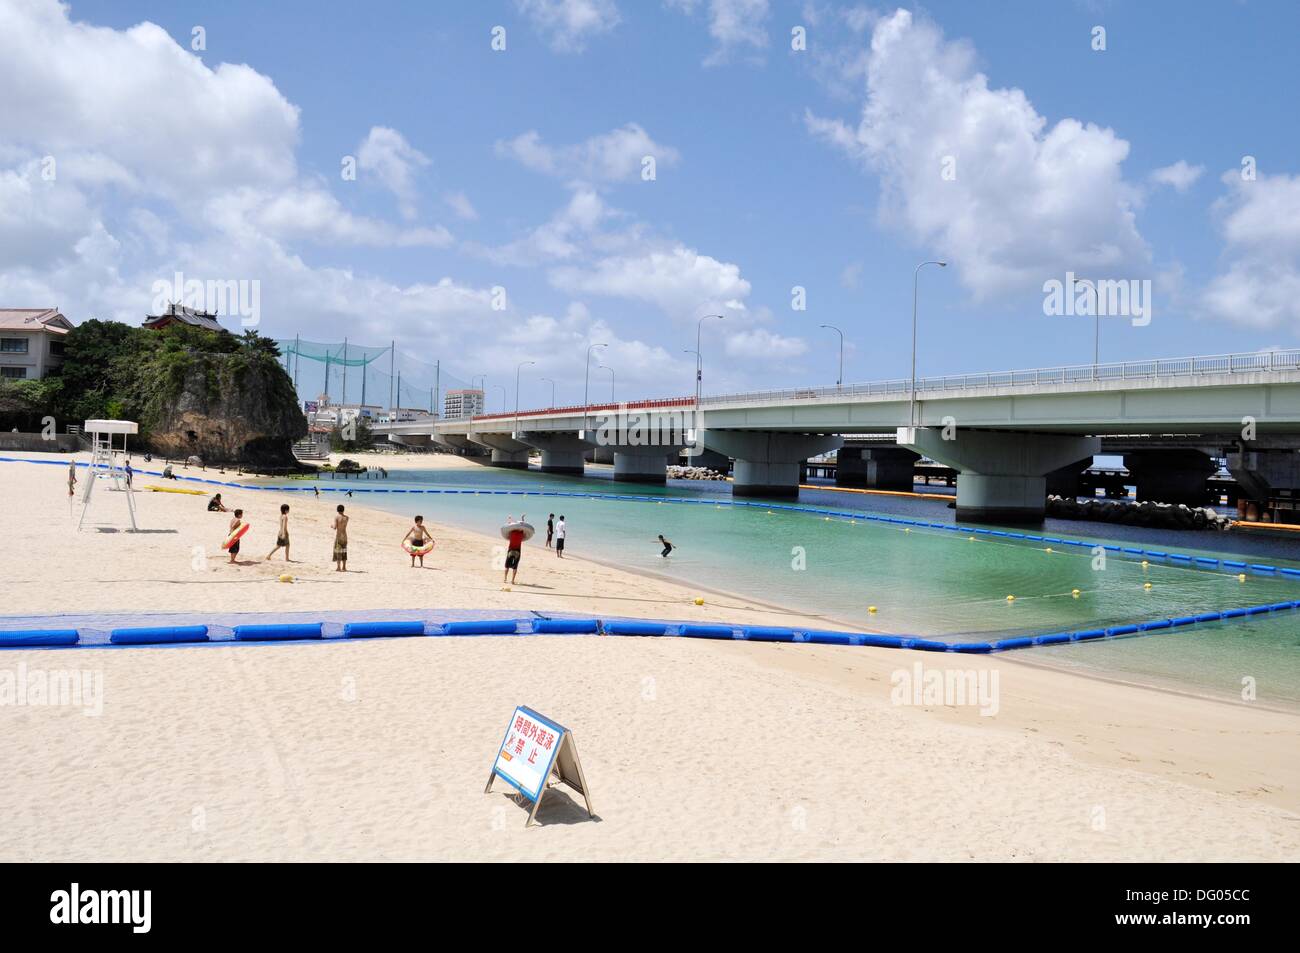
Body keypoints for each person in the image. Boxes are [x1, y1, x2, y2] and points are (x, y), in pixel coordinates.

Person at [503, 517, 526, 586]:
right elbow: (523, 526)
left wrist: (509, 519)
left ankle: (505, 578)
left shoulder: (512, 533)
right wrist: (522, 519)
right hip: (517, 551)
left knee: (507, 565)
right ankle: (512, 580)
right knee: (515, 566)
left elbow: (508, 526)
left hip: (510, 550)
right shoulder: (521, 534)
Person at [332, 504, 349, 572]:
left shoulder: (337, 517)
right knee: (344, 551)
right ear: (343, 510)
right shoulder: (347, 518)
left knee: (338, 552)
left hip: (339, 536)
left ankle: (338, 567)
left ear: (337, 510)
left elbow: (335, 527)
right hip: (345, 536)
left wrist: (331, 526)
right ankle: (344, 567)